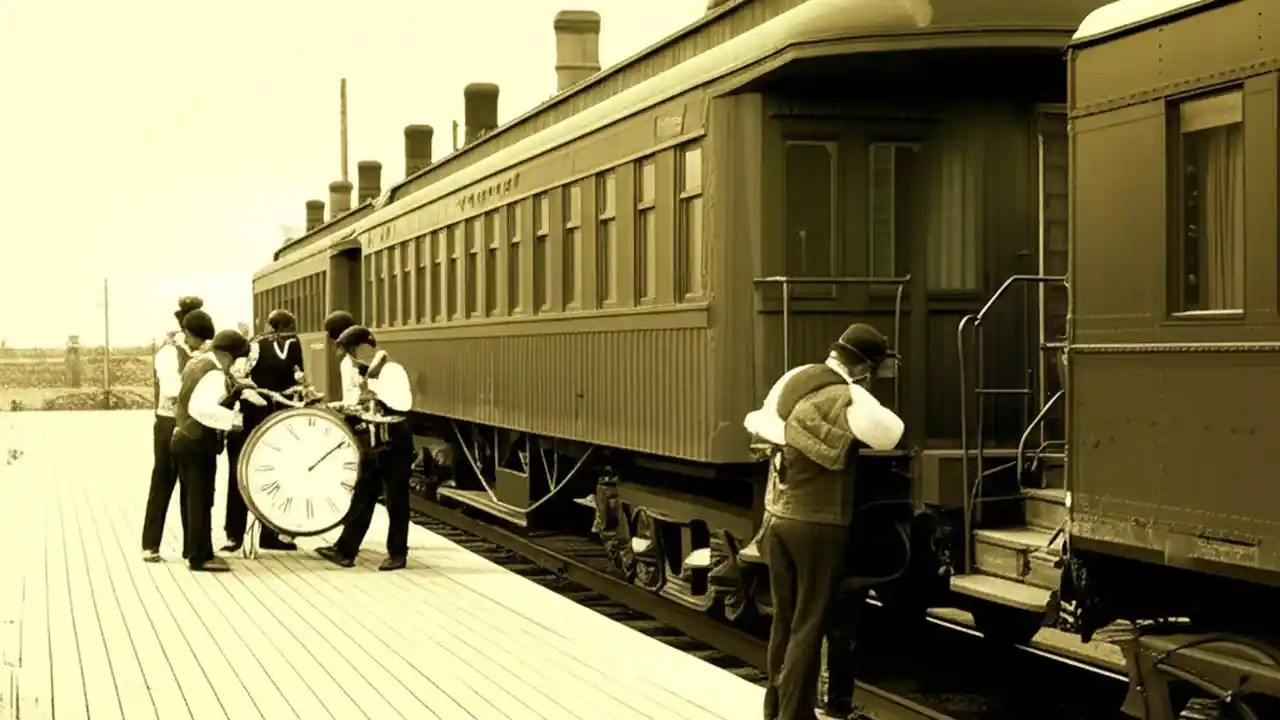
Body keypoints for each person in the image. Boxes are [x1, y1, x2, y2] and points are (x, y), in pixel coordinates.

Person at [742, 323, 904, 720]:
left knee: (785, 620)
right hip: (819, 524)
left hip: (778, 517)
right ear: (866, 367)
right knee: (809, 623)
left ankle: (775, 709)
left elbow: (757, 421)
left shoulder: (793, 378)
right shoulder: (852, 396)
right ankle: (794, 716)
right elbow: (891, 434)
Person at [316, 325, 414, 572]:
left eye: (351, 351)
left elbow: (403, 402)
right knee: (363, 494)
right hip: (373, 439)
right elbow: (358, 402)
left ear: (362, 347)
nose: (351, 357)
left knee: (396, 499)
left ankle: (398, 553)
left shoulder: (393, 371)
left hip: (394, 439)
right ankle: (345, 550)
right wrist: (345, 406)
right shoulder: (366, 372)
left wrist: (374, 394)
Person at [172, 327, 254, 572]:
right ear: (228, 354)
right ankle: (200, 557)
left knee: (190, 499)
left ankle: (192, 548)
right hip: (197, 440)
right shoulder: (214, 373)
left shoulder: (196, 363)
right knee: (201, 499)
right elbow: (204, 409)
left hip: (182, 438)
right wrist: (235, 419)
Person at [222, 310, 302, 552]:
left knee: (239, 473)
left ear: (269, 325)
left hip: (251, 417)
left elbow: (237, 375)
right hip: (279, 419)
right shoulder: (296, 344)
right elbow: (298, 379)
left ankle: (234, 534)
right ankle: (271, 533)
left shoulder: (255, 345)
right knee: (276, 475)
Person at [140, 298, 212, 563]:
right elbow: (171, 389)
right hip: (169, 421)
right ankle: (150, 543)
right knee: (163, 480)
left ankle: (190, 546)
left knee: (190, 487)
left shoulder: (199, 352)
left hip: (191, 421)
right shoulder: (170, 353)